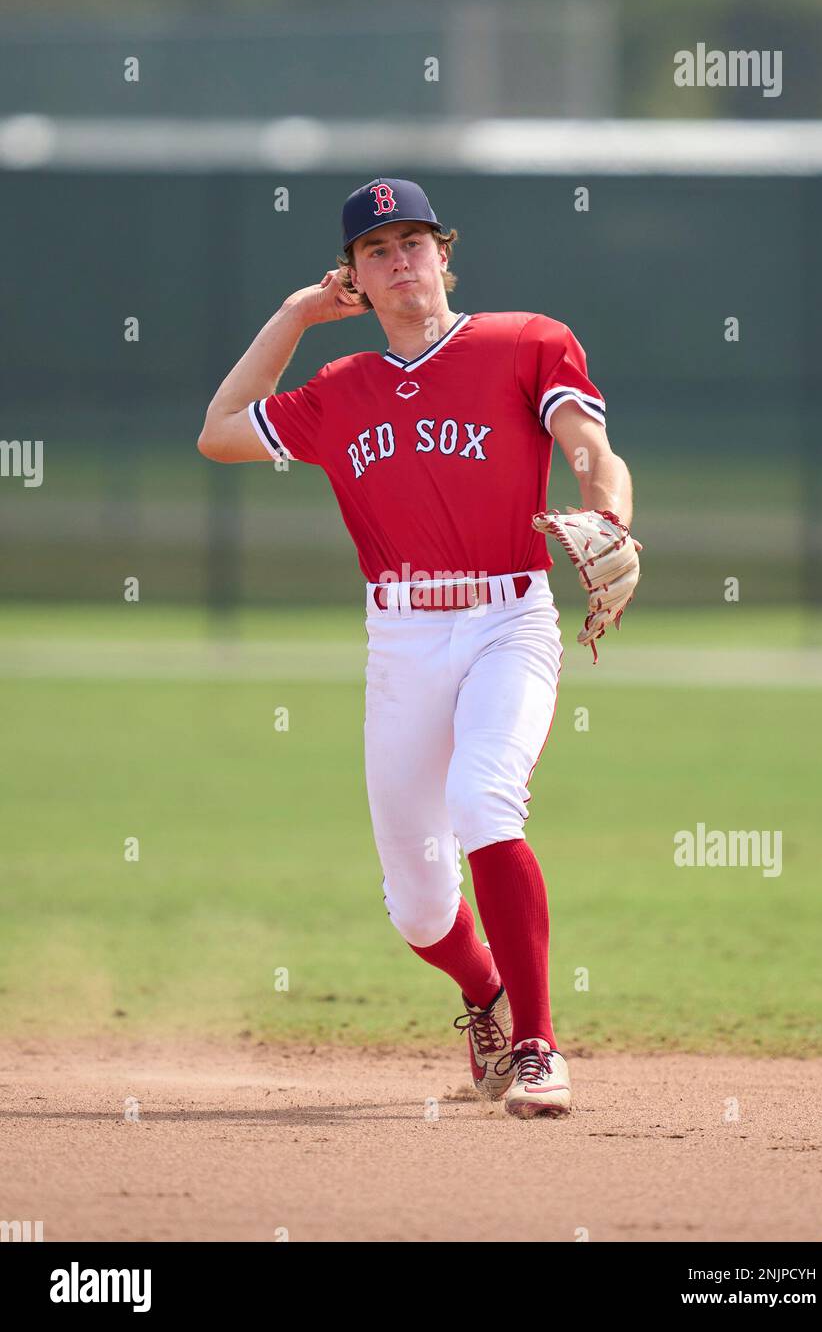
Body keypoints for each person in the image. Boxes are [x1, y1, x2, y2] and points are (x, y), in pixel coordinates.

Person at [197, 178, 637, 1118]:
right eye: (377, 250)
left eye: (414, 242)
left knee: (486, 798)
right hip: (401, 638)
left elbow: (589, 446)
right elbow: (221, 432)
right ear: (354, 275)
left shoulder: (526, 342)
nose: (401, 262)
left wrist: (610, 515)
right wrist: (293, 315)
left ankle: (537, 1048)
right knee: (419, 906)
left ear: (446, 253)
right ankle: (485, 995)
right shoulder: (341, 390)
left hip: (507, 619)